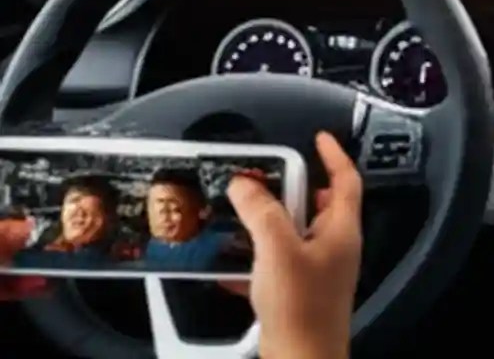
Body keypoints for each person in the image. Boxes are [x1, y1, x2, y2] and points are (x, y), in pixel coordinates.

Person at [0, 131, 363, 359]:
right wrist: (309, 344)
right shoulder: (48, 250)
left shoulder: (222, 247)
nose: (166, 218)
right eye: (159, 209)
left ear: (201, 212)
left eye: (175, 207)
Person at [0, 175, 129, 270]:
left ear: (107, 220)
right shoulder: (42, 238)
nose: (79, 215)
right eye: (73, 201)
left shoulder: (98, 259)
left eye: (87, 213)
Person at [143, 168, 238, 271]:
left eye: (175, 210)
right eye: (156, 211)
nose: (163, 219)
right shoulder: (154, 247)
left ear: (202, 211)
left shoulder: (217, 250)